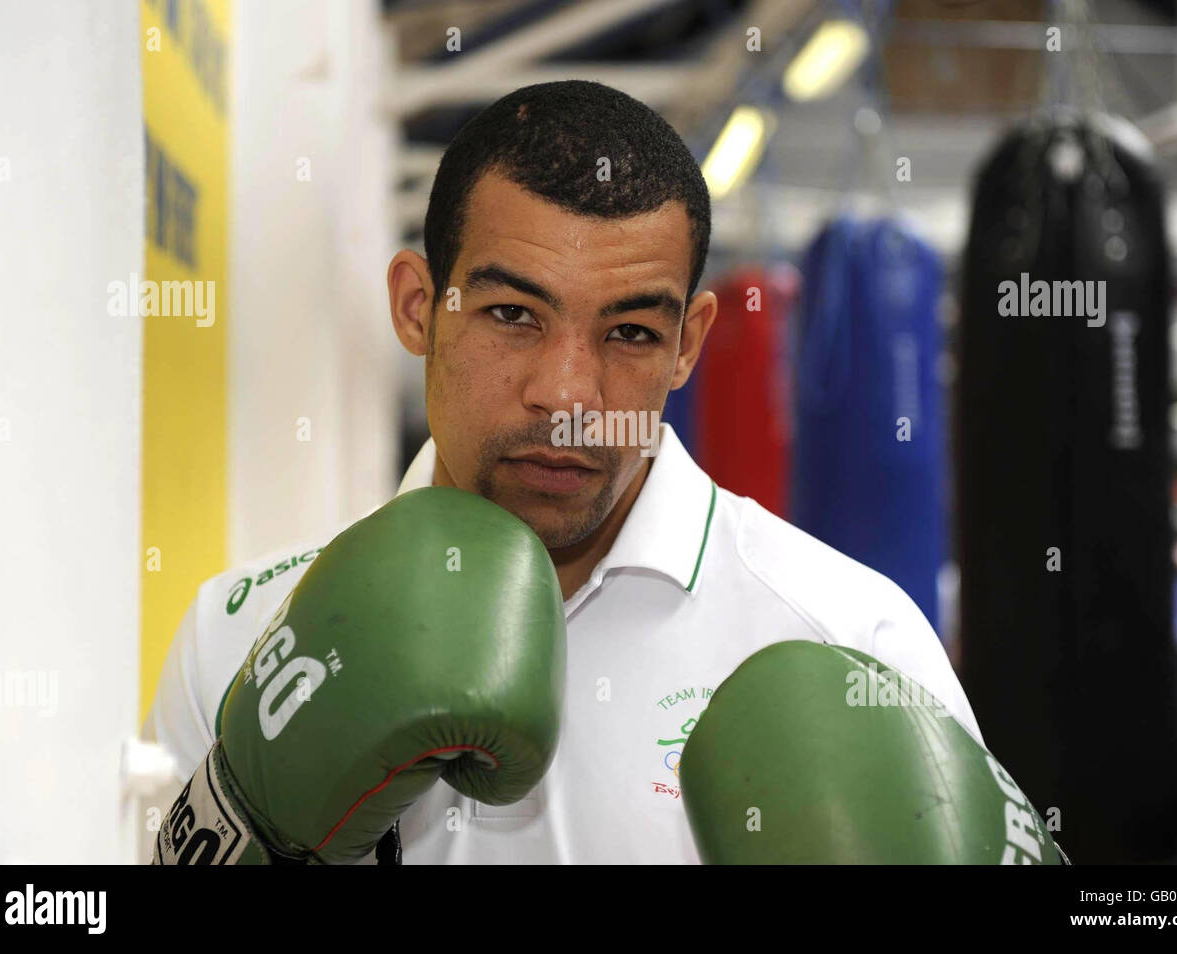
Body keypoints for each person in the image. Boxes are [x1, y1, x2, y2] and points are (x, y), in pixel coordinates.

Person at [143, 79, 984, 864]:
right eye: (513, 315)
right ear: (416, 308)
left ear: (689, 343)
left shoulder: (848, 638)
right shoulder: (240, 636)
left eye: (629, 333)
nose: (569, 394)